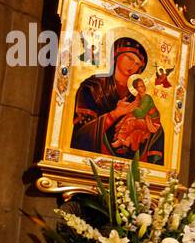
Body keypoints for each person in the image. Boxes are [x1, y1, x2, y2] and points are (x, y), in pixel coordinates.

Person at [71, 36, 165, 164]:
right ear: (116, 55)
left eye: (137, 64)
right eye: (129, 58)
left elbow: (154, 126)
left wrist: (149, 121)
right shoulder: (92, 88)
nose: (132, 65)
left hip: (130, 164)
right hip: (90, 163)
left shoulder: (137, 97)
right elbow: (80, 135)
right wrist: (114, 115)